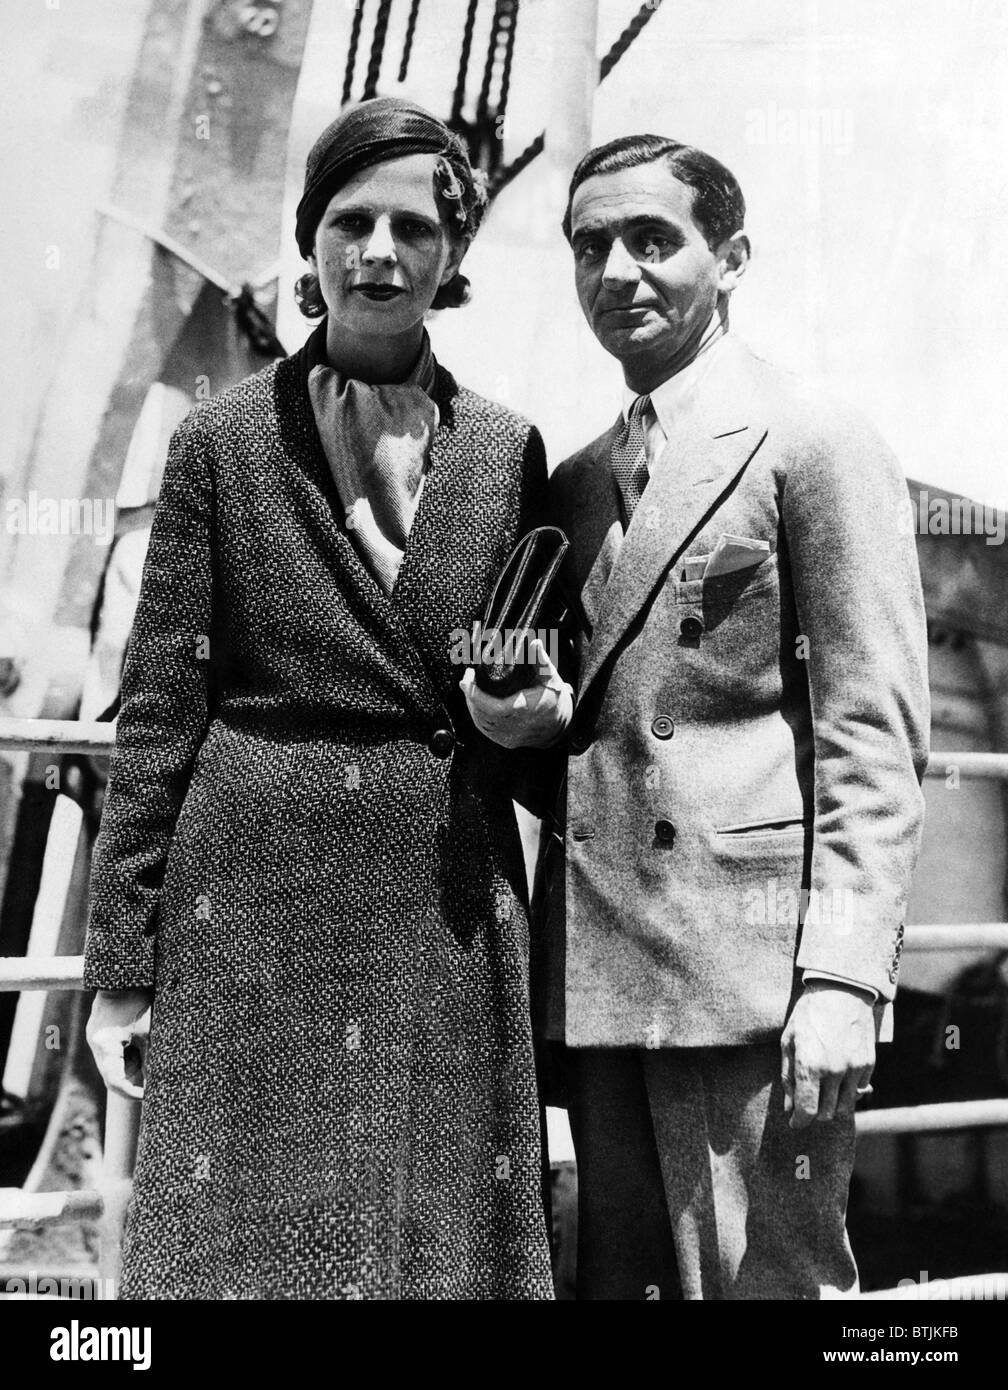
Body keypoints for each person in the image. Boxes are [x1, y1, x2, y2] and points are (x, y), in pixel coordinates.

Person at [83, 96, 561, 1300]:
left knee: (429, 1233)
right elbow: (156, 714)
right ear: (311, 241)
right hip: (247, 899)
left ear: (453, 253)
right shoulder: (219, 443)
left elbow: (533, 687)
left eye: (414, 225)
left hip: (440, 895)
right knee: (242, 1241)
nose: (379, 252)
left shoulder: (509, 453)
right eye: (351, 220)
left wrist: (525, 716)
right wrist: (120, 967)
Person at [463, 134, 930, 1299]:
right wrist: (525, 735)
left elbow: (871, 742)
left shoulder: (813, 441)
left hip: (753, 988)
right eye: (589, 246)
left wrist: (840, 980)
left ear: (731, 258)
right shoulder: (571, 484)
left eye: (652, 240)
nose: (617, 271)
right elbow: (597, 747)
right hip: (606, 981)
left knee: (772, 1287)